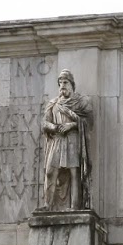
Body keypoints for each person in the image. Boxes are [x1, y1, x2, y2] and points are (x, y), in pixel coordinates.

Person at [40, 70, 90, 211]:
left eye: (65, 82)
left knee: (74, 173)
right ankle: (48, 205)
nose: (62, 85)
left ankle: (75, 206)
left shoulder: (79, 102)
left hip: (72, 139)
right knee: (50, 172)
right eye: (60, 83)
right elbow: (44, 123)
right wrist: (54, 127)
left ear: (72, 84)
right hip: (57, 140)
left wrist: (71, 125)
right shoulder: (53, 103)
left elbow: (87, 122)